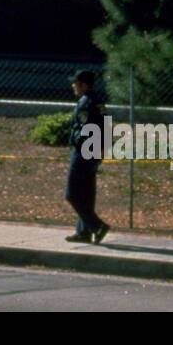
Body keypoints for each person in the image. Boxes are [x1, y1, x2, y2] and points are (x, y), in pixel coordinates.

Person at [65, 69, 110, 244]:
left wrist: (76, 141)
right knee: (86, 193)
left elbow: (83, 130)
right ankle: (83, 232)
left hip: (83, 152)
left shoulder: (85, 102)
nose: (73, 85)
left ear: (83, 85)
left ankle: (96, 225)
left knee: (72, 194)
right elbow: (106, 125)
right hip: (95, 152)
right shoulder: (99, 101)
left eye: (75, 82)